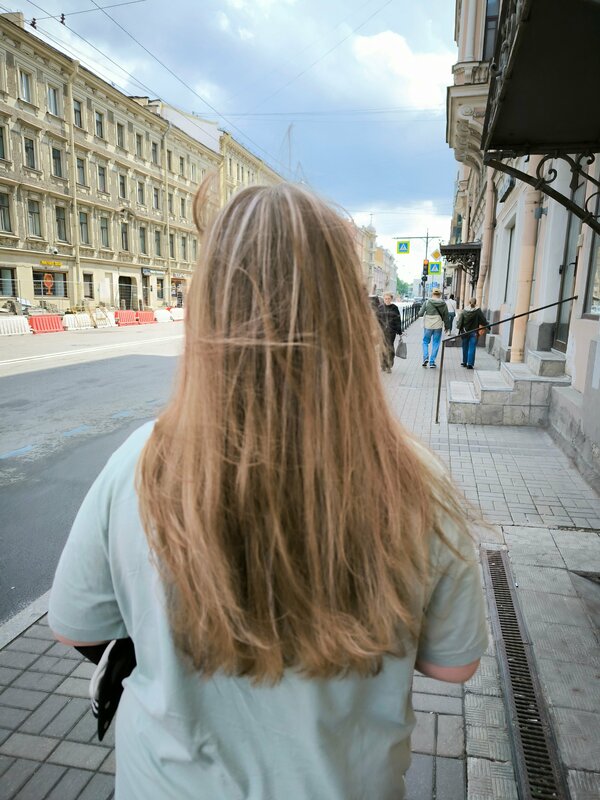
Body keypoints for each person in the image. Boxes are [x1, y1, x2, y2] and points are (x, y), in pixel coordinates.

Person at [49, 181, 488, 800]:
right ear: (349, 317)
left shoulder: (141, 464)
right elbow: (455, 663)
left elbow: (76, 626)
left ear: (207, 310)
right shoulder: (414, 479)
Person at [418, 288, 450, 368]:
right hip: (438, 326)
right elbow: (446, 316)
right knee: (436, 343)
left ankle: (425, 357)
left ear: (432, 294)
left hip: (428, 326)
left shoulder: (427, 302)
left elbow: (420, 314)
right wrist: (447, 327)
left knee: (425, 342)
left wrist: (422, 311)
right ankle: (432, 362)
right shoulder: (443, 304)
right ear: (440, 295)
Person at [457, 297, 489, 369]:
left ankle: (464, 362)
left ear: (469, 302)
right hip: (474, 332)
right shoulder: (478, 311)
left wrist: (459, 330)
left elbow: (460, 321)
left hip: (464, 331)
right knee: (472, 347)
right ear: (475, 303)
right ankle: (470, 364)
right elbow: (483, 320)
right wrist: (488, 326)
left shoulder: (464, 310)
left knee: (465, 347)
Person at [376, 291, 403, 372]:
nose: (387, 300)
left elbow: (398, 320)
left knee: (389, 348)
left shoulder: (394, 308)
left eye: (388, 298)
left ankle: (389, 365)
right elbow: (377, 320)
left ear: (391, 299)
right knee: (382, 348)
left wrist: (399, 331)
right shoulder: (380, 307)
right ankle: (382, 365)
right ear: (383, 299)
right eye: (385, 298)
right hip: (381, 331)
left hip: (391, 331)